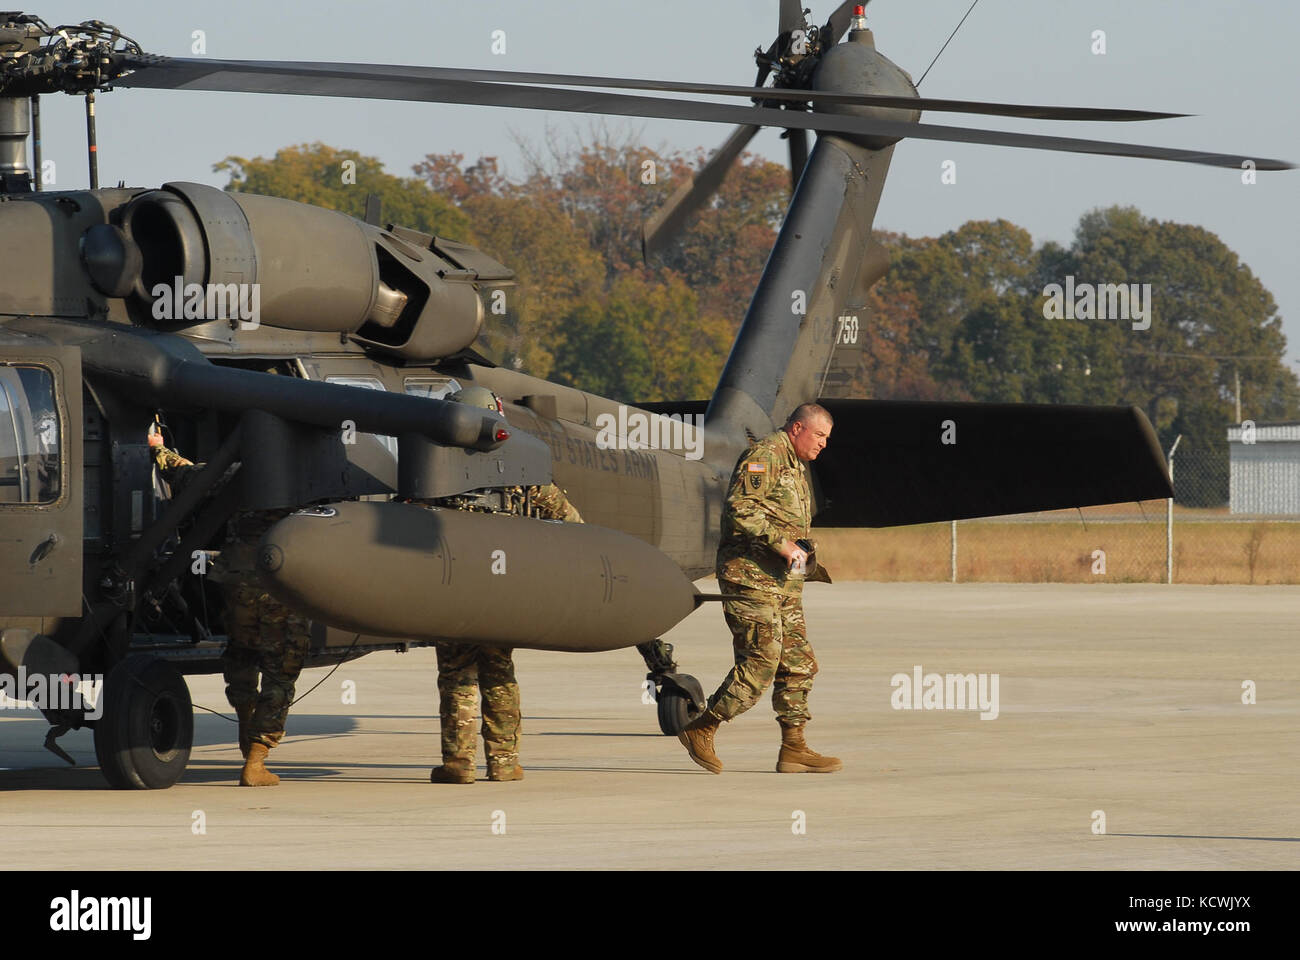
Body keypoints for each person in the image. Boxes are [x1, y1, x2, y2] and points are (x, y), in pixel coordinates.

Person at [427, 386, 583, 784]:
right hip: (502, 591)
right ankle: (504, 762)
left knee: (457, 675)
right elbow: (573, 526)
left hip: (452, 592)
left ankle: (458, 764)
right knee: (499, 671)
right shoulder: (520, 471)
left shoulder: (436, 470)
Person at [678, 402, 840, 775]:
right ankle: (703, 726)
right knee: (761, 659)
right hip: (749, 576)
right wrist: (783, 544)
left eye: (827, 438)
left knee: (798, 662)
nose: (823, 444)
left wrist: (800, 553)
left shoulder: (796, 465)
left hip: (783, 580)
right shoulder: (764, 456)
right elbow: (741, 508)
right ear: (797, 428)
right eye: (819, 435)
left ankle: (794, 747)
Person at [150, 430, 311, 787]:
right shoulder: (309, 479)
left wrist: (160, 452)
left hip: (238, 579)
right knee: (280, 671)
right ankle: (257, 758)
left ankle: (244, 724)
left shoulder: (241, 472)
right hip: (282, 583)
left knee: (242, 654)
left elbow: (188, 474)